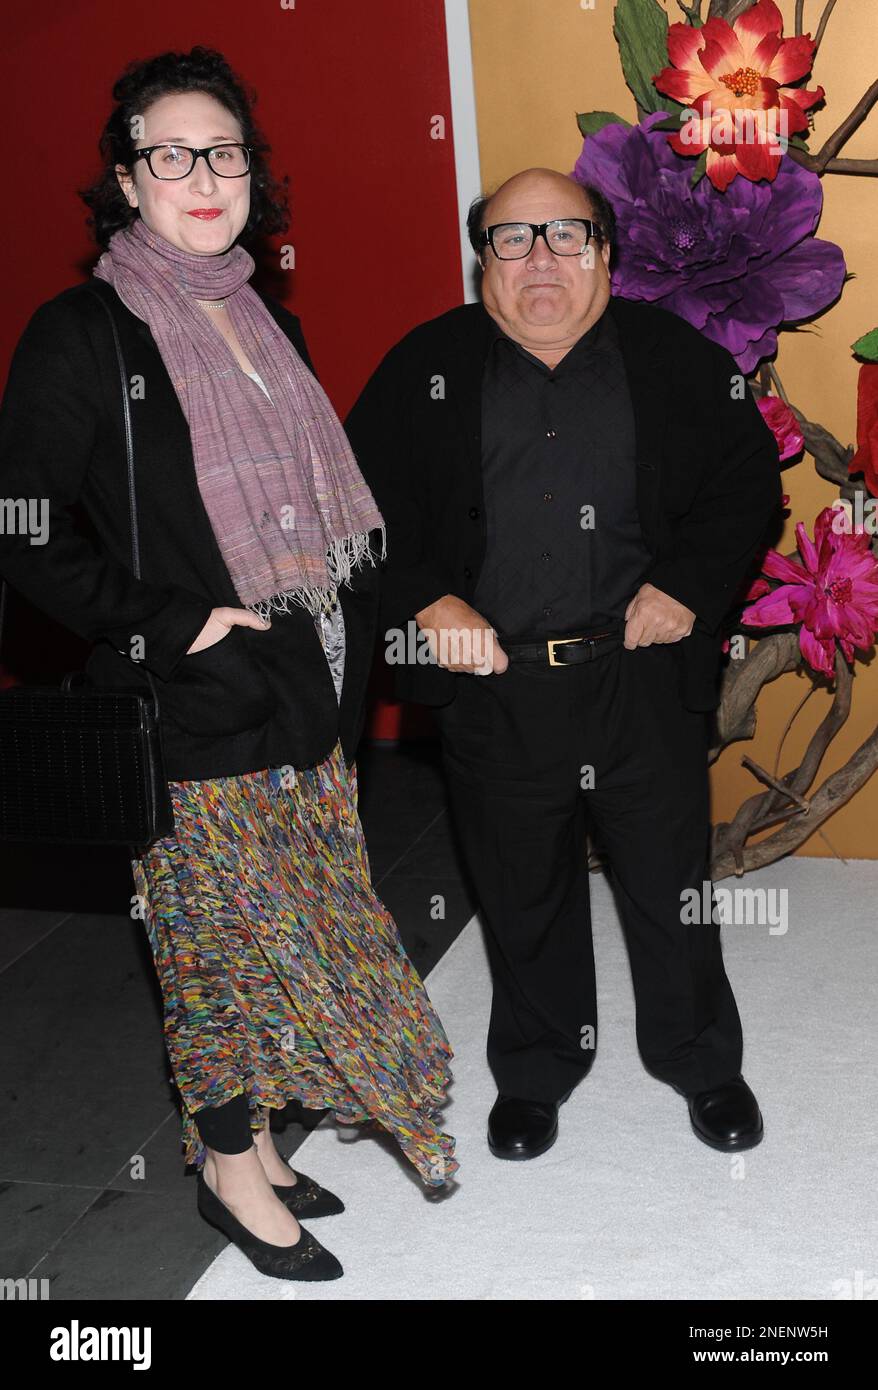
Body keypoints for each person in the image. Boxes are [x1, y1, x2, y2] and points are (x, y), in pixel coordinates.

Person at [0, 46, 457, 1283]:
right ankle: (224, 1169)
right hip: (191, 707)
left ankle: (256, 1139)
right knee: (215, 954)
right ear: (127, 178)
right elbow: (21, 524)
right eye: (171, 152)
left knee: (288, 935)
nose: (202, 175)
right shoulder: (84, 331)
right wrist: (165, 621)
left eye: (224, 152)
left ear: (253, 172)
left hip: (305, 701)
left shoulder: (262, 313)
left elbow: (313, 516)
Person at [344, 167, 783, 1165]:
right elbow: (356, 501)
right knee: (518, 888)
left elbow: (745, 476)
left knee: (668, 884)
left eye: (564, 235)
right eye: (511, 238)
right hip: (497, 690)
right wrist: (422, 596)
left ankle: (698, 1059)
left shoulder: (669, 357)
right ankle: (537, 1070)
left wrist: (683, 581)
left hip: (638, 678)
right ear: (481, 261)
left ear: (605, 252)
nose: (539, 257)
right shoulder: (426, 367)